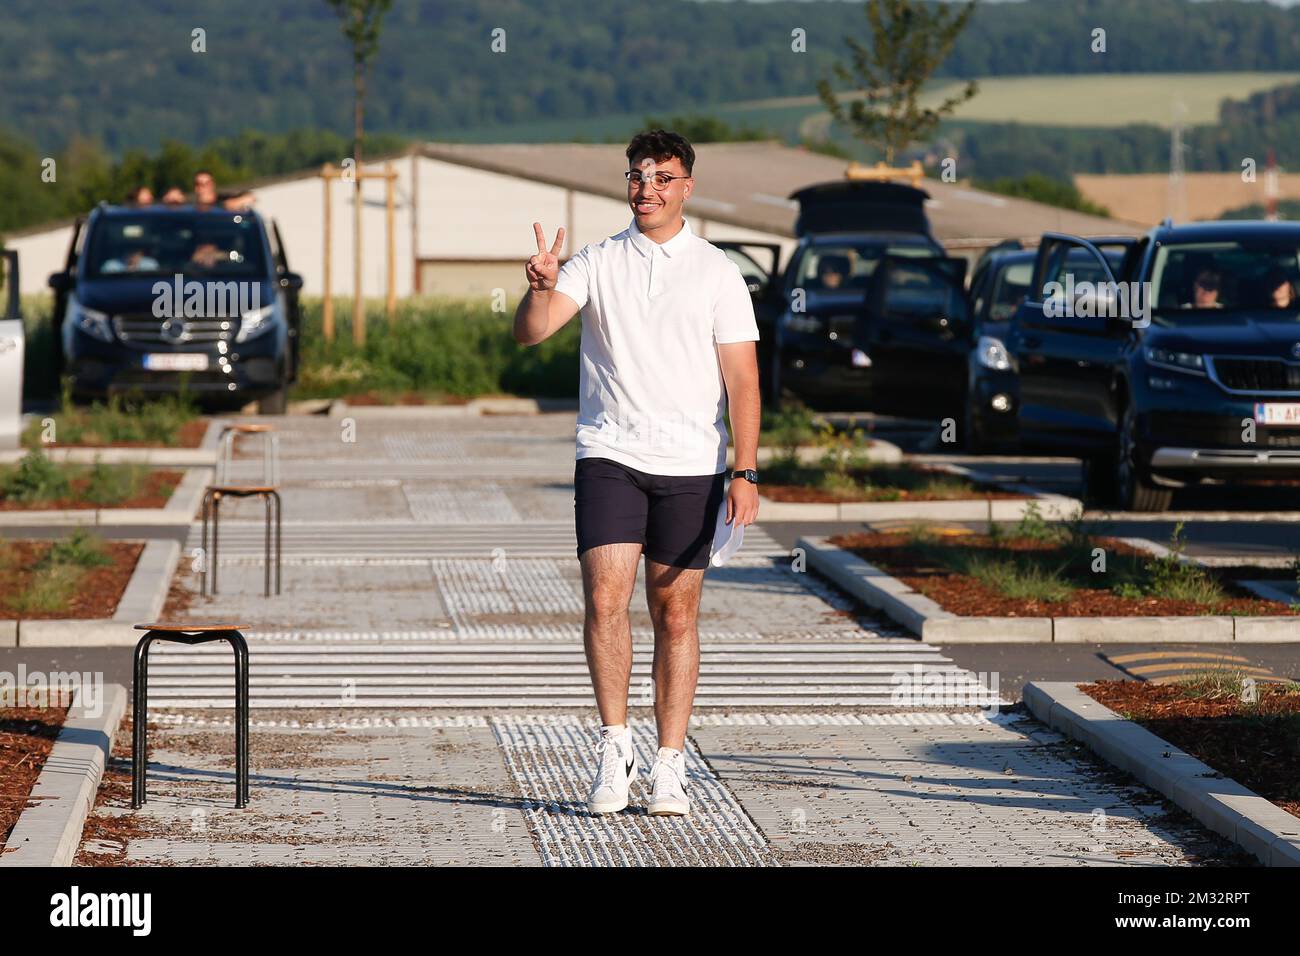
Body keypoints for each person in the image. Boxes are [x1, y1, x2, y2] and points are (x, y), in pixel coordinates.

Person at [512, 129, 760, 817]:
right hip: (610, 454)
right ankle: (614, 747)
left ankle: (671, 764)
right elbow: (532, 332)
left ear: (686, 186)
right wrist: (539, 287)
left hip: (693, 463)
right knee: (605, 600)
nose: (645, 188)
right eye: (636, 175)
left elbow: (742, 377)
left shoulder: (716, 270)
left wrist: (747, 470)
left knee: (676, 613)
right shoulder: (597, 261)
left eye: (661, 177)